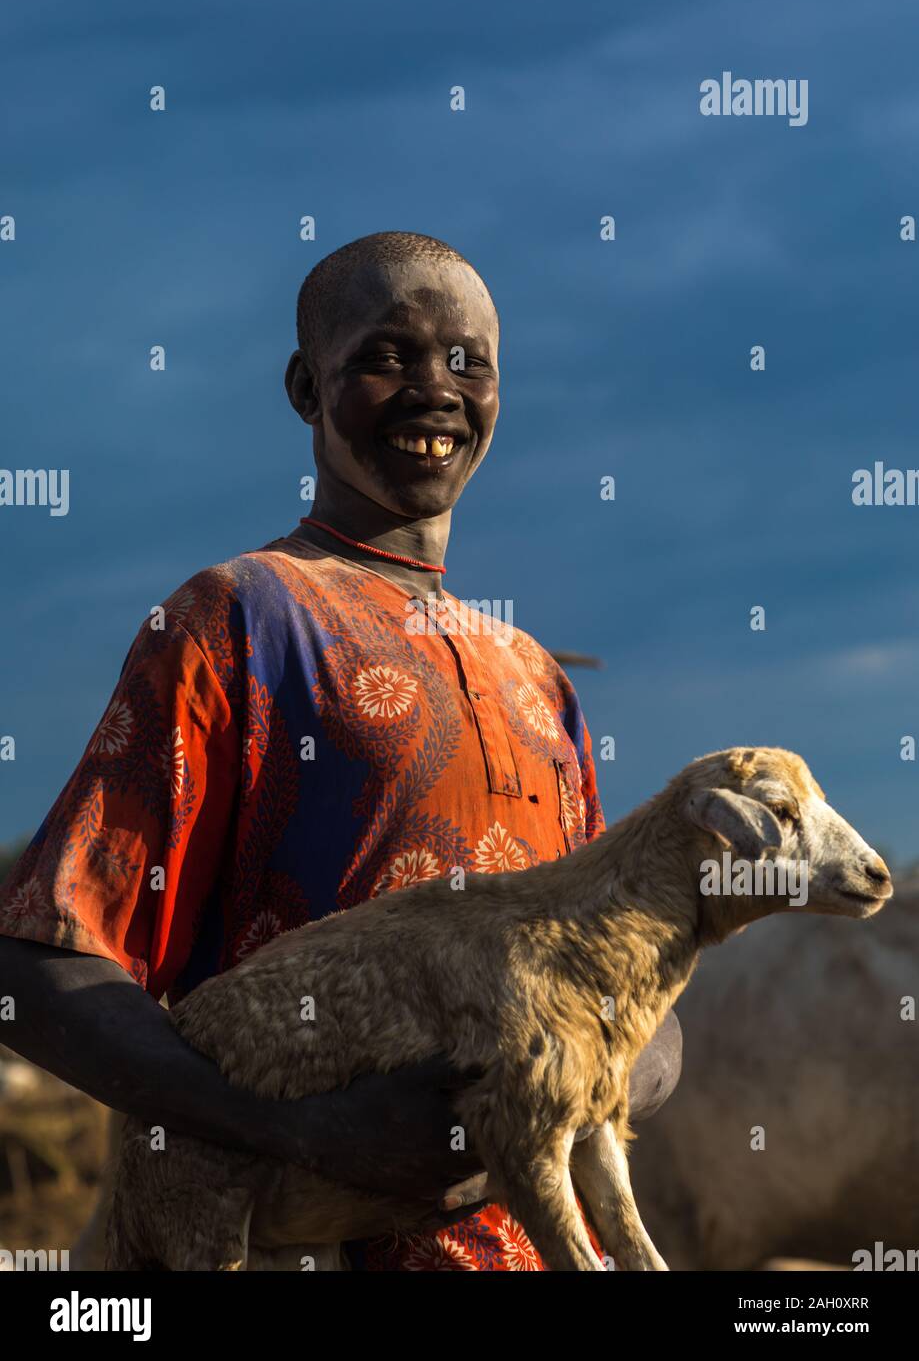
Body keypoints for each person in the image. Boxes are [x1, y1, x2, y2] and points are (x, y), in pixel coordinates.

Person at [0, 231, 681, 1270]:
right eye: (385, 355)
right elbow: (38, 963)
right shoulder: (237, 620)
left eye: (468, 362)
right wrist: (304, 1127)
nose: (433, 390)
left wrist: (590, 1070)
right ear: (304, 386)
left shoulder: (534, 676)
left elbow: (626, 990)